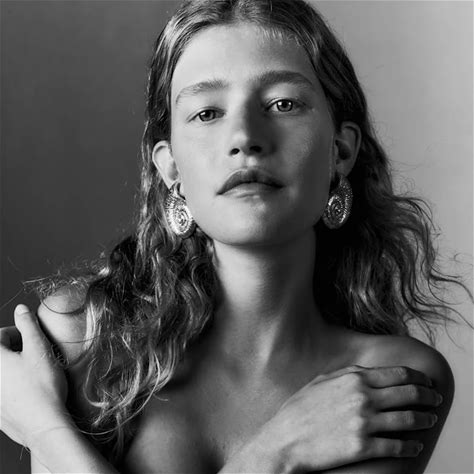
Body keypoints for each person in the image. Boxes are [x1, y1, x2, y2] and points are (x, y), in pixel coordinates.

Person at [1, 0, 470, 472]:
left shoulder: (390, 383)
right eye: (207, 113)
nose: (245, 136)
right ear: (170, 167)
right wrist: (278, 450)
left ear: (341, 151)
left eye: (283, 104)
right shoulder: (84, 336)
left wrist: (41, 425)